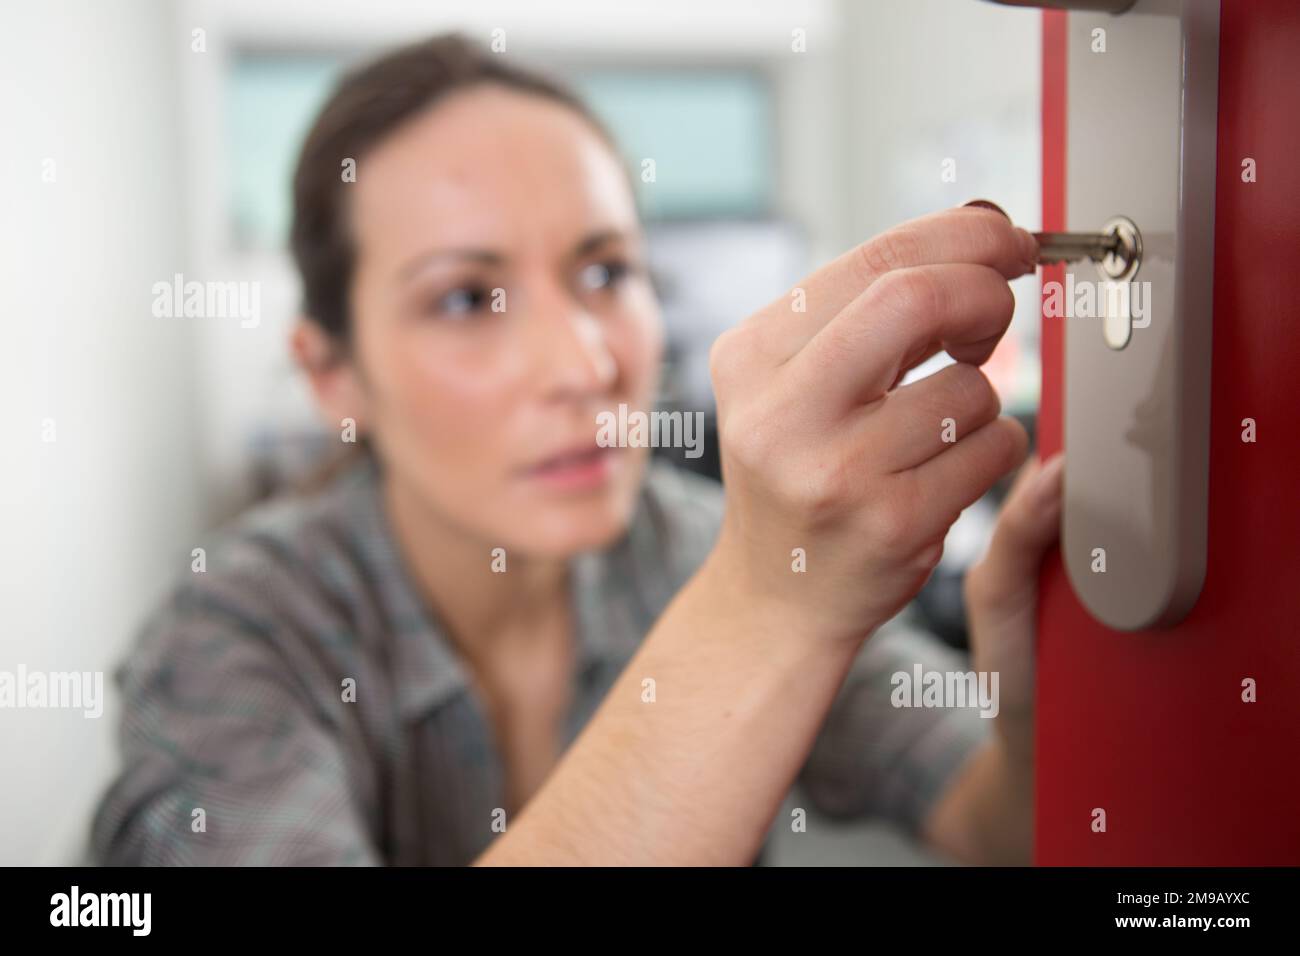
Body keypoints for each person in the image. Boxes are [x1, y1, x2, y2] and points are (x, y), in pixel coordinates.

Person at [91, 34, 1064, 866]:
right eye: (467, 298)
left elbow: (993, 822)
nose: (585, 360)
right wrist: (766, 605)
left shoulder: (690, 548)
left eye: (605, 271)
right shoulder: (234, 634)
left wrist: (1029, 705)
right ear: (333, 376)